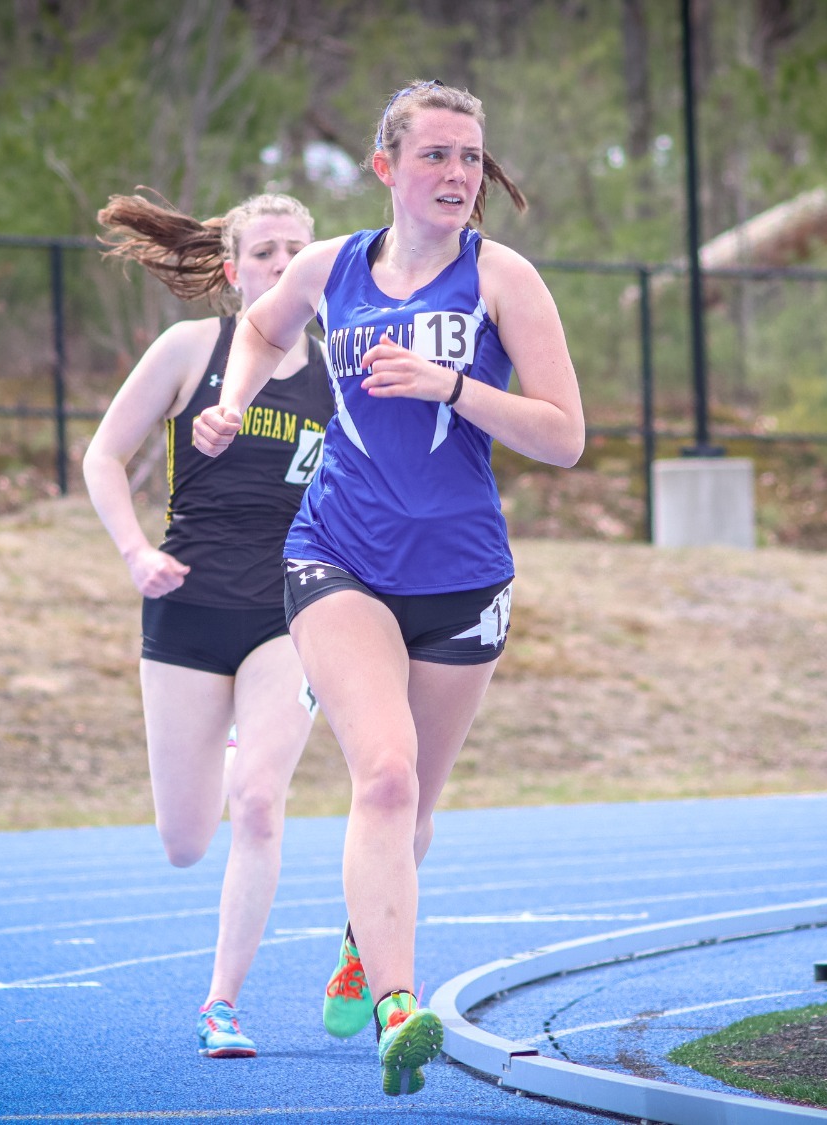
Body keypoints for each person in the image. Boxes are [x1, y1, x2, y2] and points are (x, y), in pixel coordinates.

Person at [193, 80, 584, 1096]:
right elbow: (260, 329)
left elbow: (564, 438)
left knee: (414, 812)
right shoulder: (330, 269)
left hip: (463, 575)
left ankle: (364, 942)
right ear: (385, 168)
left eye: (469, 158)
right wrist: (233, 402)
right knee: (385, 776)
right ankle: (400, 1008)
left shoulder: (503, 281)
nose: (456, 176)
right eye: (435, 157)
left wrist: (452, 384)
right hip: (339, 556)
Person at [82, 191, 334, 1060]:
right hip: (186, 604)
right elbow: (103, 455)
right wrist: (133, 553)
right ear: (233, 271)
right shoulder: (194, 350)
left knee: (260, 801)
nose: (281, 265)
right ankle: (224, 756)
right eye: (264, 252)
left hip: (291, 609)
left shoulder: (341, 370)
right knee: (187, 841)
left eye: (296, 251)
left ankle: (221, 1003)